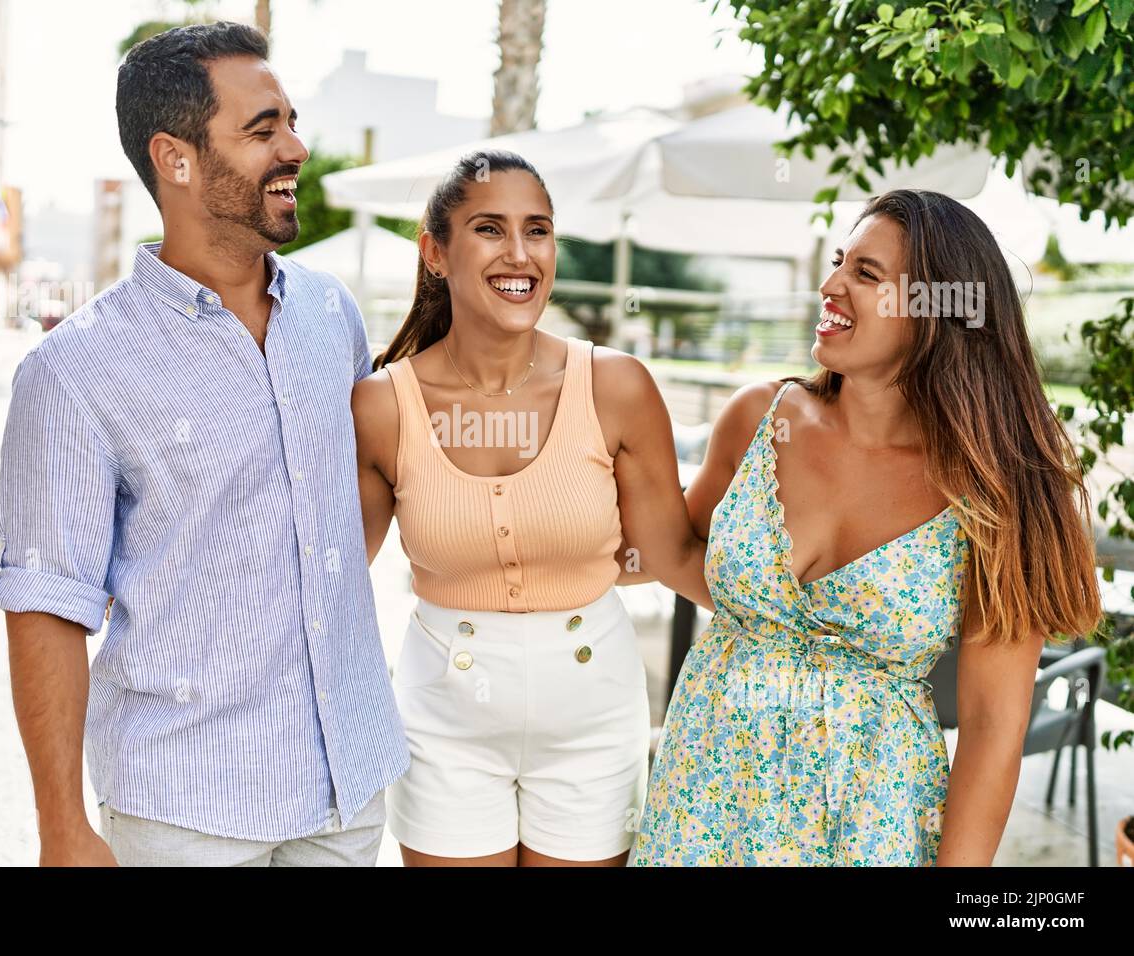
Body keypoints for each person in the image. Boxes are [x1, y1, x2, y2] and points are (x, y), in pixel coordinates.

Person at [0, 22, 408, 866]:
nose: (295, 147)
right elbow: (45, 607)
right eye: (263, 130)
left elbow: (354, 493)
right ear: (174, 158)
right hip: (185, 808)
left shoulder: (332, 316)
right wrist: (63, 829)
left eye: (290, 120)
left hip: (348, 782)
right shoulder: (74, 372)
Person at [630, 189, 1103, 866]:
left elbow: (995, 725)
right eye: (837, 263)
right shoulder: (761, 419)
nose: (830, 286)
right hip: (705, 797)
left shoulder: (996, 490)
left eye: (866, 275)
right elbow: (677, 554)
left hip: (870, 823)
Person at [352, 149, 707, 867]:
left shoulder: (618, 387)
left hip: (594, 708)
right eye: (489, 229)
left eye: (538, 230)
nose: (521, 254)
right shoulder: (381, 407)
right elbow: (332, 569)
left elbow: (669, 555)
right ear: (436, 253)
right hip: (442, 710)